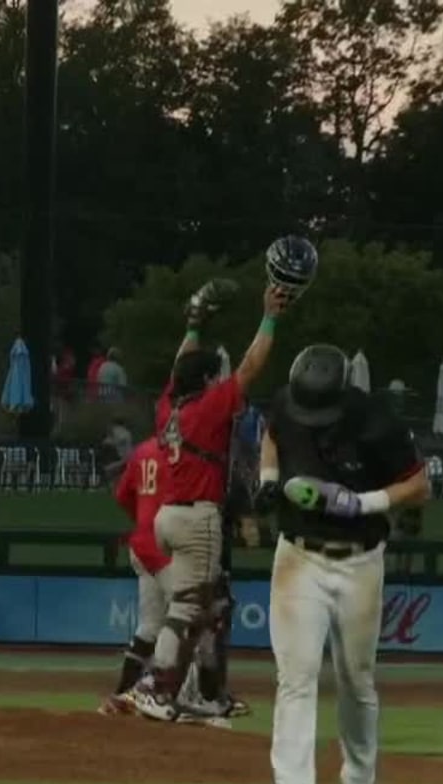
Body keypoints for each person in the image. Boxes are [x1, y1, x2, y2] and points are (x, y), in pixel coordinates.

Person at [129, 236, 313, 722]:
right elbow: (253, 366)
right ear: (209, 380)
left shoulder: (170, 405)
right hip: (197, 516)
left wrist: (194, 323)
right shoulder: (209, 407)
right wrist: (271, 315)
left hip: (171, 515)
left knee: (214, 605)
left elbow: (179, 367)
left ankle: (201, 693)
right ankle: (154, 685)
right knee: (191, 603)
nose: (220, 377)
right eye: (216, 373)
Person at [260, 344, 429, 784]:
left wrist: (364, 503)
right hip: (298, 556)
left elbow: (419, 486)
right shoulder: (284, 405)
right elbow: (270, 438)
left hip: (359, 562)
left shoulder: (376, 421)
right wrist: (268, 480)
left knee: (356, 680)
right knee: (296, 676)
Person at [100, 437, 170, 715]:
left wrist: (142, 518)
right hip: (167, 546)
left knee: (151, 627)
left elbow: (122, 495)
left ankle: (122, 696)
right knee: (187, 620)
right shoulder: (181, 453)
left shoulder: (143, 449)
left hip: (142, 543)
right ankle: (159, 692)